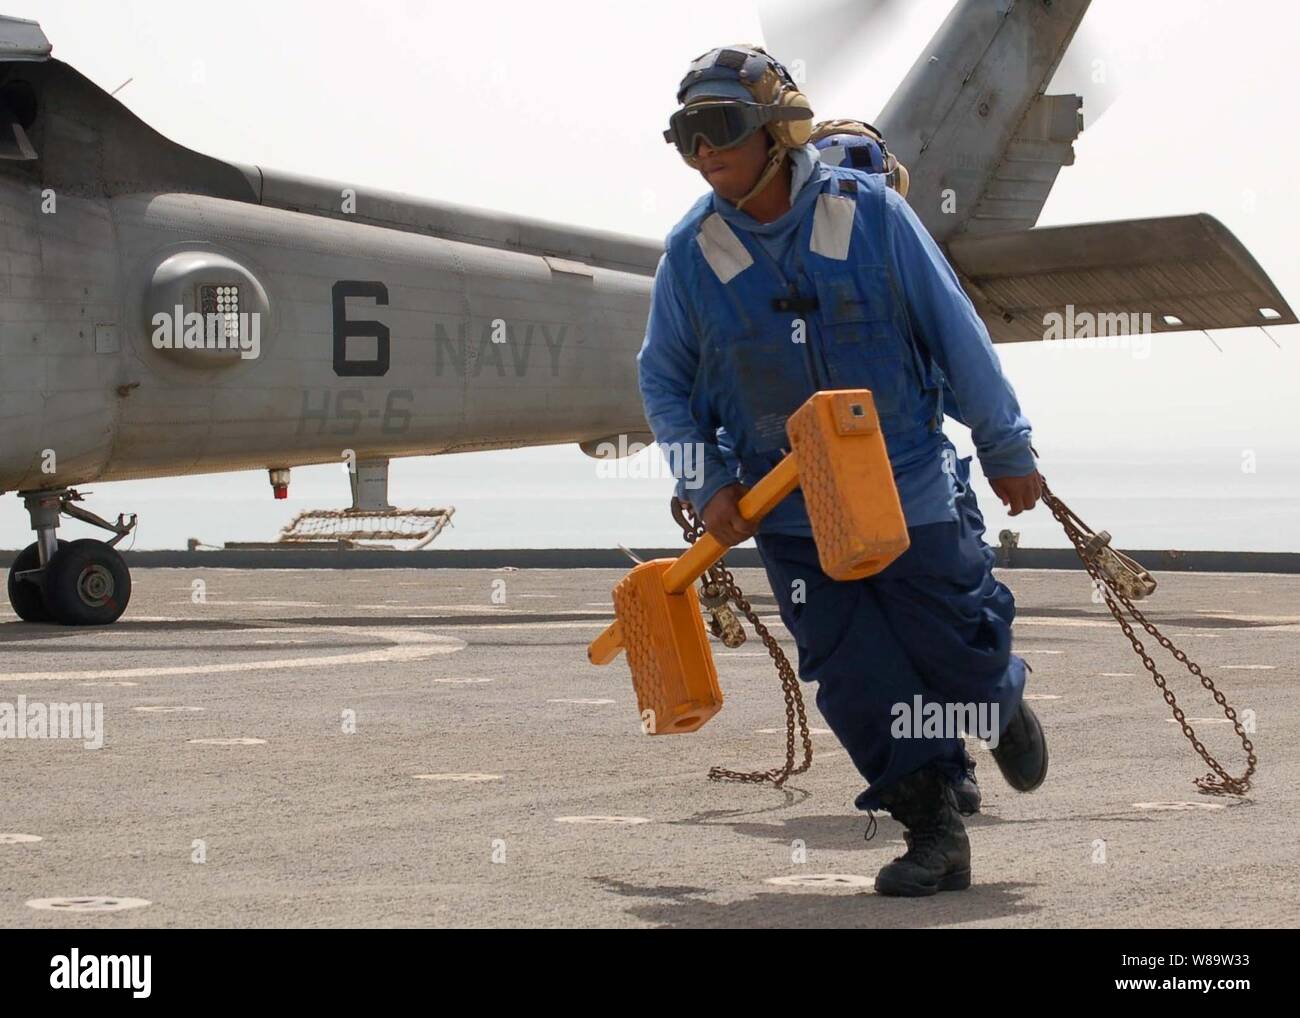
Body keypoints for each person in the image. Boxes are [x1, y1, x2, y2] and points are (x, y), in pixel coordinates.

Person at [638, 44, 1049, 897]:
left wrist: (1004, 445)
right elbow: (664, 384)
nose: (705, 152)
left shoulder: (871, 215)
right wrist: (703, 482)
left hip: (909, 493)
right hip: (791, 515)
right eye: (686, 138)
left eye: (720, 130)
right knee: (858, 674)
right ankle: (932, 827)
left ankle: (996, 700)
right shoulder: (691, 253)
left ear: (776, 130)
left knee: (953, 650)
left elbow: (954, 330)